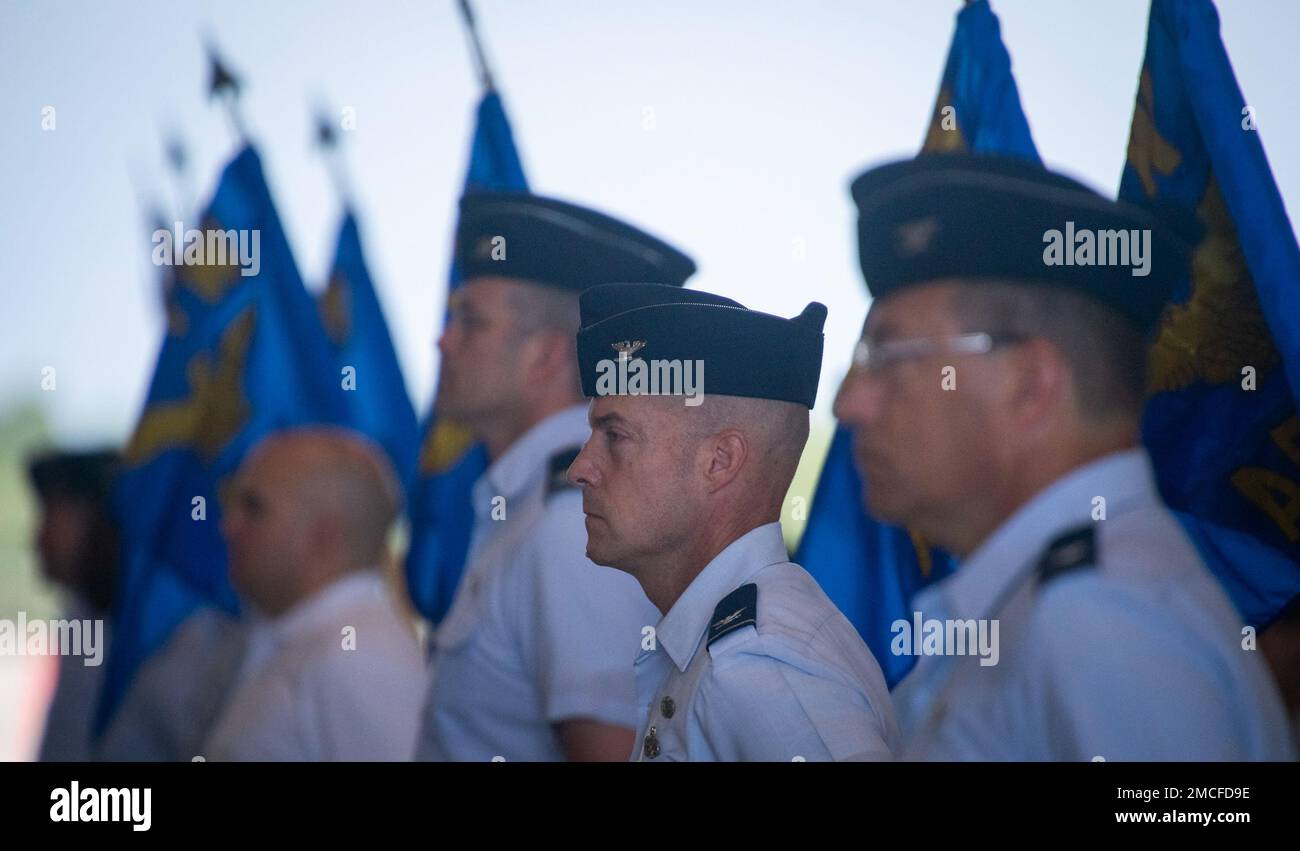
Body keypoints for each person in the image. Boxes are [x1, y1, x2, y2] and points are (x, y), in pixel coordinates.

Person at [835, 152, 1294, 760]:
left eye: (886, 358)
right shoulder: (1059, 602)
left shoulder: (1102, 619)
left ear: (1027, 385)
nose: (848, 404)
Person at [413, 192, 696, 761]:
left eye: (470, 322)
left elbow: (610, 751)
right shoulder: (531, 507)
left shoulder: (574, 525)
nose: (442, 340)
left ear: (544, 357)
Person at [568, 283, 899, 761]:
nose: (581, 468)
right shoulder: (728, 646)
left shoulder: (756, 667)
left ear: (720, 461)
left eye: (615, 435)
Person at [201, 427, 423, 761]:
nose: (228, 526)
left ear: (324, 536)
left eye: (253, 508)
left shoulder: (357, 656)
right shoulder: (309, 640)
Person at [26, 449, 119, 761]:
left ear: (94, 514)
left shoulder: (146, 628)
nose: (38, 538)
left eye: (53, 512)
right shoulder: (82, 615)